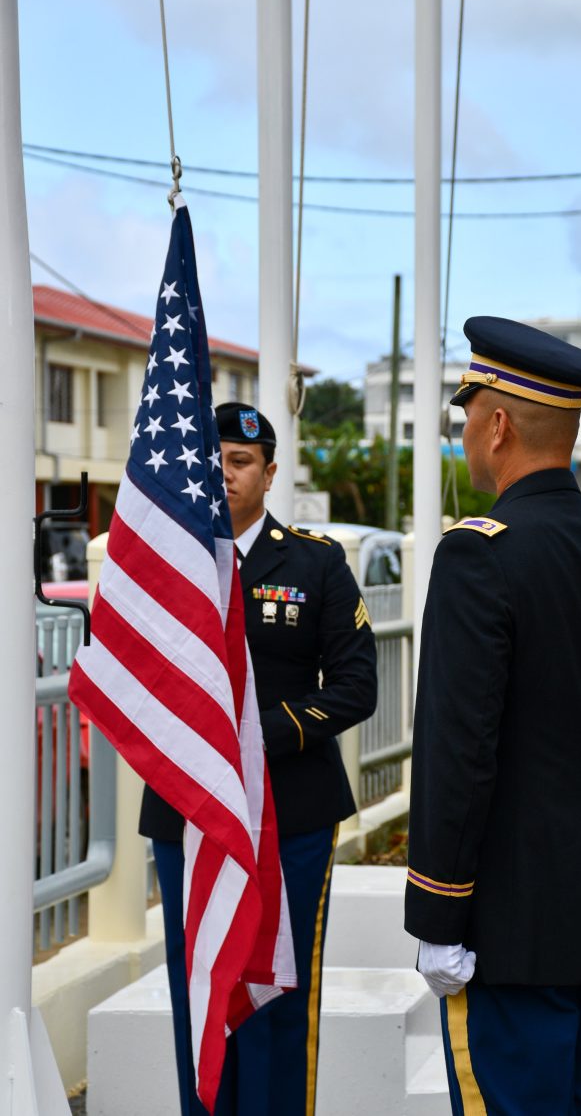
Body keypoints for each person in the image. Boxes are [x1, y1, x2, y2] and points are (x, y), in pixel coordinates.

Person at [404, 316, 581, 1114]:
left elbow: (460, 752)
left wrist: (437, 909)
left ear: (498, 426)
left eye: (467, 417)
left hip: (511, 927)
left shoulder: (477, 552)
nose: (464, 436)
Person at [139, 402, 378, 1116]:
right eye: (212, 458)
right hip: (189, 810)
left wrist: (257, 732)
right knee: (201, 993)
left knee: (276, 992)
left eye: (240, 461)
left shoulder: (316, 562)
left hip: (291, 811)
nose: (224, 471)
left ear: (270, 473)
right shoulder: (164, 558)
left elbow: (356, 685)